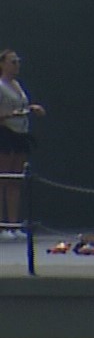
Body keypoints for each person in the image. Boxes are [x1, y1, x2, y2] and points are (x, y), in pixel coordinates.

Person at [0, 49, 46, 241]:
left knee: (16, 181)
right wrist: (13, 115)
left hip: (20, 136)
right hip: (5, 135)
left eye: (18, 61)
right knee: (3, 179)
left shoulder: (17, 85)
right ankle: (2, 226)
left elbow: (21, 107)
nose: (17, 65)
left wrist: (31, 109)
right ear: (2, 64)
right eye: (13, 62)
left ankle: (14, 224)